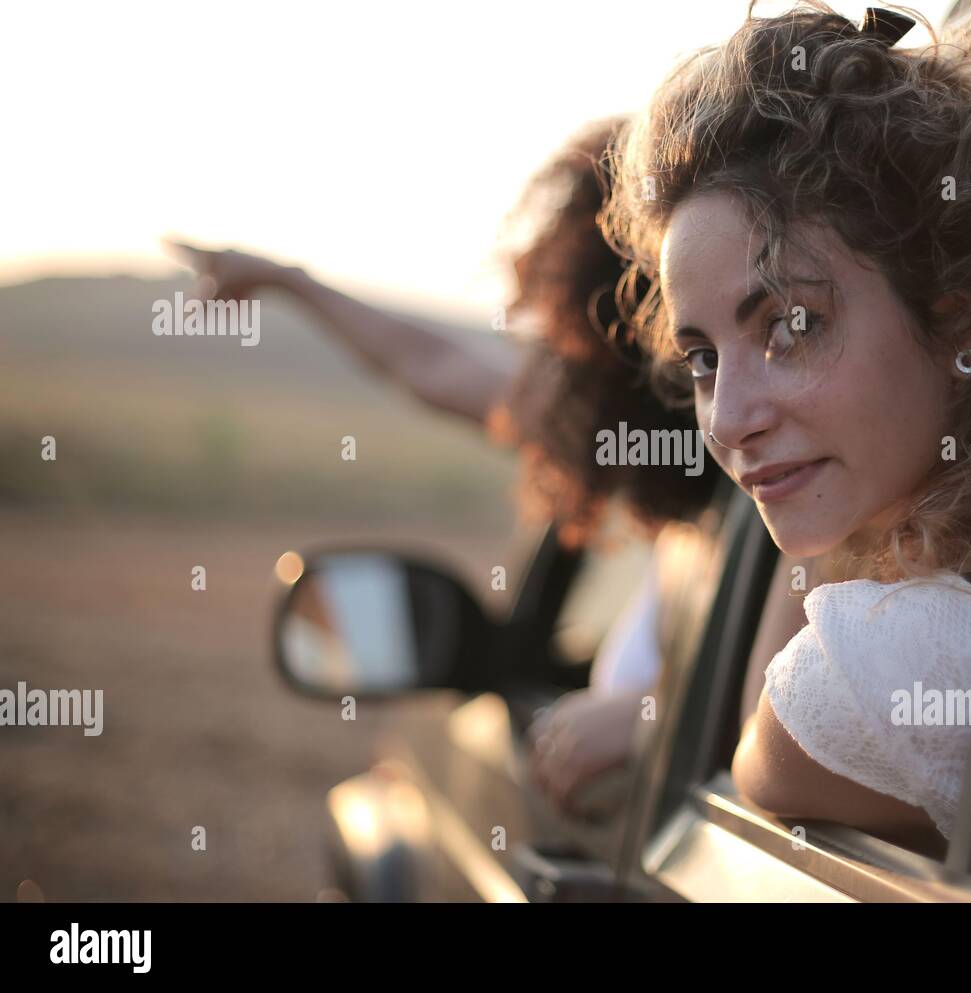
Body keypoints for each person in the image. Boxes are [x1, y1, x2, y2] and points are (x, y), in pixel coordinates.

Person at [599, 3, 971, 850]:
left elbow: (762, 748)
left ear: (960, 317)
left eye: (791, 327)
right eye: (702, 359)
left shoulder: (892, 660)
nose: (726, 418)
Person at [171, 118, 720, 818]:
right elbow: (431, 365)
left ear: (617, 356)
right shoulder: (702, 524)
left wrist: (651, 720)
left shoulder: (770, 521)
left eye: (558, 343)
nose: (536, 373)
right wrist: (291, 283)